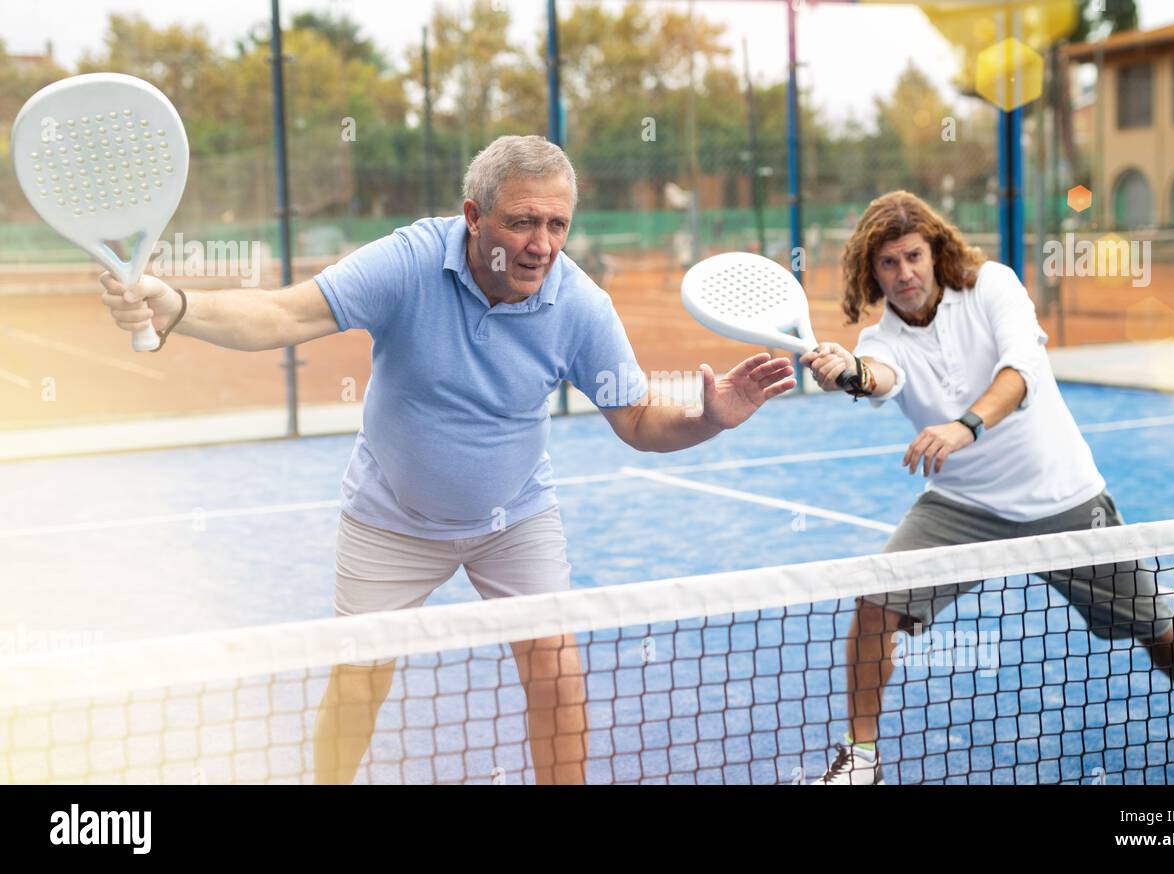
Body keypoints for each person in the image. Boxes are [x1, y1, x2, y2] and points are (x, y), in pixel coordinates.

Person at [98, 135, 795, 784]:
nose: (542, 245)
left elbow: (638, 419)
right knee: (360, 676)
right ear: (473, 216)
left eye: (557, 225)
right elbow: (287, 314)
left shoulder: (580, 306)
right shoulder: (408, 263)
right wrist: (178, 306)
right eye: (522, 222)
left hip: (514, 519)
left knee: (554, 666)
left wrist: (707, 418)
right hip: (390, 519)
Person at [800, 190, 1174, 785]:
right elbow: (879, 376)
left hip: (1063, 495)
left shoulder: (992, 286)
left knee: (1153, 622)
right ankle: (861, 757)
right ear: (872, 272)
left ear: (935, 252)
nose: (904, 273)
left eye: (913, 256)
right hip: (962, 505)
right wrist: (851, 373)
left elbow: (1020, 373)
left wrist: (965, 426)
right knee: (875, 607)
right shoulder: (882, 339)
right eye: (888, 263)